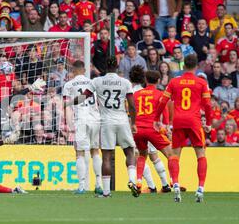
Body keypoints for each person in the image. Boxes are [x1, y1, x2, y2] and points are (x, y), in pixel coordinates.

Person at [71, 56, 140, 198]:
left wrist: (69, 102)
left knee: (107, 157)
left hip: (106, 121)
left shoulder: (97, 81)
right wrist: (133, 123)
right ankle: (132, 180)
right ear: (117, 65)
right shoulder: (125, 82)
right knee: (129, 152)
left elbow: (84, 97)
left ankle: (107, 192)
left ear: (105, 66)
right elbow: (132, 105)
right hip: (122, 120)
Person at [154, 54, 212, 203]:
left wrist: (156, 119)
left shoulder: (174, 81)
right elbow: (208, 105)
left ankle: (176, 184)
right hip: (194, 121)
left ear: (184, 65)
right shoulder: (201, 83)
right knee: (200, 154)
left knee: (174, 155)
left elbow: (163, 101)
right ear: (196, 66)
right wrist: (209, 122)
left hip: (179, 121)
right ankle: (200, 188)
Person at [133, 69, 180, 194]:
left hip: (137, 129)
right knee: (171, 155)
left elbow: (131, 111)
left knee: (142, 155)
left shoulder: (136, 94)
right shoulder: (160, 94)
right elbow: (164, 111)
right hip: (152, 128)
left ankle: (138, 181)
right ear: (158, 81)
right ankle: (173, 181)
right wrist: (165, 127)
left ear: (146, 80)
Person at [62, 60, 102, 195]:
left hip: (81, 119)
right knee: (95, 150)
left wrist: (69, 125)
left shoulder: (68, 85)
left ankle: (81, 186)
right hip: (95, 119)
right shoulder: (93, 83)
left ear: (73, 71)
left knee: (79, 152)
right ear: (84, 70)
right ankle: (99, 185)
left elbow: (66, 106)